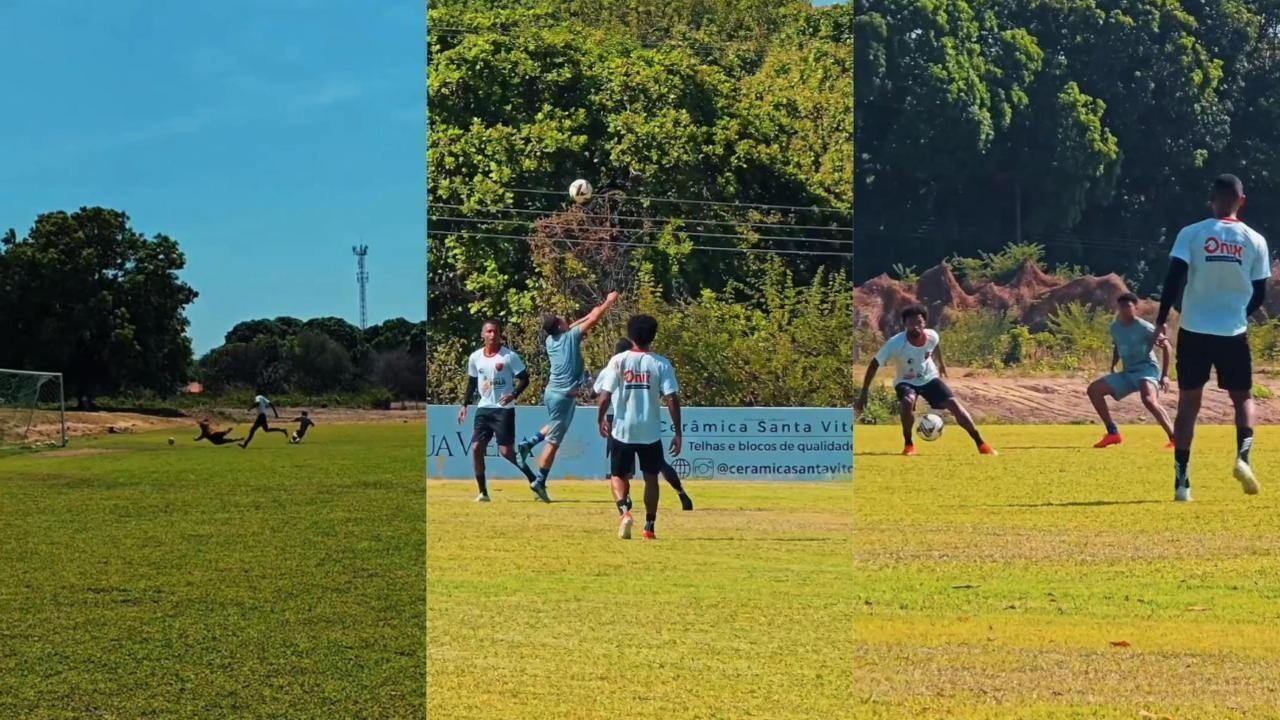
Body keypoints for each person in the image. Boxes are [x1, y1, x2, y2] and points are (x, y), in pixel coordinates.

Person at [1154, 173, 1269, 502]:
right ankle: (1243, 459)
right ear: (1241, 201)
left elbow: (1174, 278)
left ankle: (1182, 484)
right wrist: (1238, 314)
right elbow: (1260, 292)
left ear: (1213, 199)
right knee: (1243, 398)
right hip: (1233, 330)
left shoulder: (1192, 233)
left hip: (1194, 329)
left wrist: (1161, 321)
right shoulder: (1255, 240)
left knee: (1189, 405)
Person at [855, 304, 997, 456]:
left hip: (929, 378)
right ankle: (908, 444)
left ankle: (981, 444)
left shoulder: (932, 336)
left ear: (924, 323)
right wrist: (864, 392)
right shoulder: (896, 343)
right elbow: (874, 364)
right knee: (907, 401)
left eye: (919, 322)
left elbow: (935, 345)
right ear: (905, 324)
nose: (915, 326)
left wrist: (941, 364)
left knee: (954, 405)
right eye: (911, 323)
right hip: (906, 381)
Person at [516, 291, 620, 496]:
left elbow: (575, 325)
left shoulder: (551, 340)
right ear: (559, 326)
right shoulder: (570, 337)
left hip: (552, 392)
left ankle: (529, 443)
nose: (565, 319)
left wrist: (588, 314)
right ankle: (540, 480)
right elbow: (593, 320)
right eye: (561, 319)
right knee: (554, 442)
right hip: (565, 396)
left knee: (555, 422)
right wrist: (607, 302)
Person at [596, 315, 682, 540]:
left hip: (623, 429)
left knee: (617, 475)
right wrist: (678, 432)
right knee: (651, 478)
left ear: (630, 334)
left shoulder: (618, 360)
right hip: (650, 431)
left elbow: (605, 395)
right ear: (653, 336)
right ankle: (649, 527)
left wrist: (601, 419)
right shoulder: (661, 363)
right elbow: (671, 399)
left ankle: (624, 512)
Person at [593, 337, 693, 511]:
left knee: (621, 472)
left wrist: (600, 417)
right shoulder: (652, 363)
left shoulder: (612, 366)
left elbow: (596, 393)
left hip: (619, 423)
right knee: (658, 466)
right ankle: (681, 493)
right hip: (647, 422)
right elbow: (670, 396)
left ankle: (624, 503)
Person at [457, 318, 543, 502]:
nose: (492, 335)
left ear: (500, 334)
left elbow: (525, 379)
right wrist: (464, 405)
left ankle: (535, 481)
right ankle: (483, 493)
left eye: (495, 331)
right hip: (484, 409)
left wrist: (513, 395)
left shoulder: (509, 356)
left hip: (504, 410)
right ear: (482, 334)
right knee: (476, 448)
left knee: (506, 452)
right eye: (489, 331)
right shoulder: (475, 357)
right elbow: (472, 383)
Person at [1087, 293, 1175, 449]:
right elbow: (1117, 345)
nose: (1124, 309)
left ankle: (1175, 438)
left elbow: (1167, 346)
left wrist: (1165, 375)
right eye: (1121, 306)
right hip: (1128, 372)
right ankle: (1113, 433)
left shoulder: (1144, 327)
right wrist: (1113, 365)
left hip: (1146, 370)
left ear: (1136, 308)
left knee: (1149, 400)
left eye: (1128, 306)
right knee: (1094, 390)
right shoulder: (1115, 327)